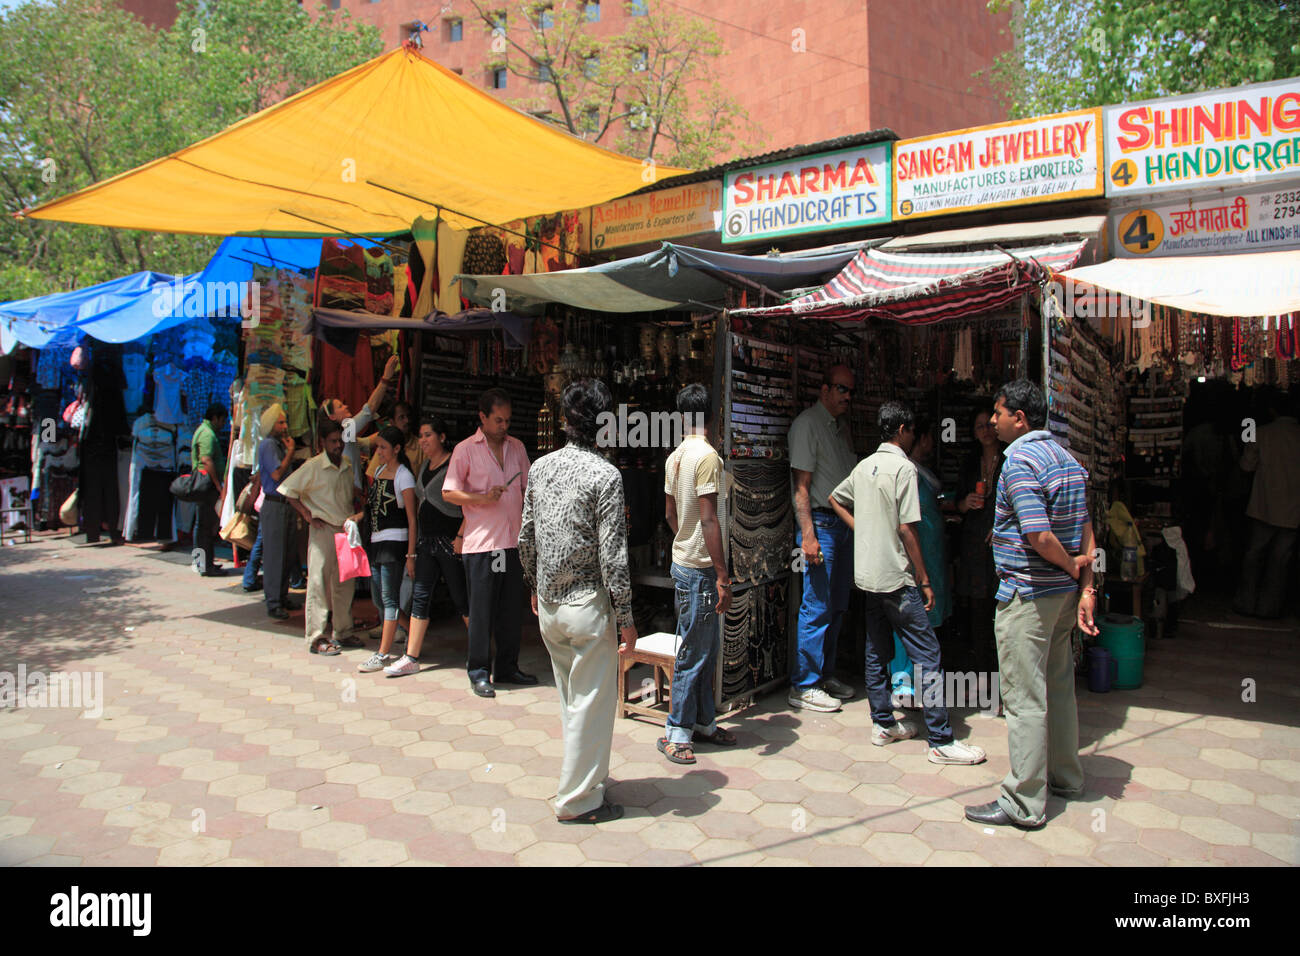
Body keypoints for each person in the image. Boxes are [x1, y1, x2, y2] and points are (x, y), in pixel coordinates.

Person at [964, 380, 1096, 831]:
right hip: (1060, 599)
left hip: (1030, 595)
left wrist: (1071, 567)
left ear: (1019, 418)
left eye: (998, 413)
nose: (993, 421)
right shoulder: (1069, 459)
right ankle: (1066, 776)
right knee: (1058, 687)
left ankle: (1024, 800)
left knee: (1024, 697)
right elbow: (1086, 528)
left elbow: (1040, 536)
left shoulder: (1018, 460)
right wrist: (1084, 582)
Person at [828, 401, 986, 767]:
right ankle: (942, 739)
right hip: (897, 578)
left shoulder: (865, 465)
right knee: (928, 654)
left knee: (875, 650)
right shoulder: (904, 469)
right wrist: (925, 578)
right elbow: (906, 528)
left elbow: (835, 498)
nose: (914, 436)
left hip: (868, 576)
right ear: (902, 431)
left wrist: (861, 527)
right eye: (912, 430)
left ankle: (883, 723)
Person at [519, 380, 637, 823]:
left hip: (550, 605)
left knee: (574, 701)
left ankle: (585, 781)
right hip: (587, 606)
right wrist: (626, 616)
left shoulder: (540, 468)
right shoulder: (607, 476)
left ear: (566, 422)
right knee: (591, 703)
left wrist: (534, 585)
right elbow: (613, 557)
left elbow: (524, 536)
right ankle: (578, 801)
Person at [659, 384, 735, 765]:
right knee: (694, 649)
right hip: (701, 570)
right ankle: (677, 731)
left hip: (685, 563)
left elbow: (672, 515)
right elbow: (708, 518)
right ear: (712, 415)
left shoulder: (675, 457)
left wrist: (684, 543)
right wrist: (722, 573)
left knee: (704, 647)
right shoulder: (708, 458)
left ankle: (703, 722)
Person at [442, 387, 535, 697]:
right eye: (498, 420)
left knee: (510, 609)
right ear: (482, 418)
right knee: (482, 610)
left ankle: (507, 667)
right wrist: (481, 498)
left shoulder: (517, 448)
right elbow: (449, 493)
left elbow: (528, 489)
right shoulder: (465, 450)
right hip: (484, 545)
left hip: (511, 542)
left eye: (507, 420)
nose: (503, 426)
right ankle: (479, 671)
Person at [787, 365, 858, 713]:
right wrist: (808, 537)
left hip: (842, 526)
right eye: (842, 389)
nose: (847, 397)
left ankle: (824, 674)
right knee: (816, 604)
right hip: (821, 528)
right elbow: (801, 487)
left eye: (851, 391)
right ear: (825, 389)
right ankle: (804, 684)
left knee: (837, 604)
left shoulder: (840, 428)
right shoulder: (808, 425)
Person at [385, 418, 471, 677]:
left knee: (461, 598)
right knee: (421, 597)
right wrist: (412, 552)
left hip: (449, 542)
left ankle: (481, 653)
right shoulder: (423, 466)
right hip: (426, 543)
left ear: (442, 437)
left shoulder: (454, 465)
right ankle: (411, 657)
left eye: (428, 435)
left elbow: (469, 506)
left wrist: (460, 536)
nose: (422, 440)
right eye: (420, 436)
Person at [278, 417, 366, 655]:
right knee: (317, 583)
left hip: (345, 529)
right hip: (323, 529)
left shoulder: (346, 464)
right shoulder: (313, 466)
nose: (338, 445)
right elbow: (288, 491)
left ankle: (343, 631)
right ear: (322, 443)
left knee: (345, 585)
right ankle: (316, 637)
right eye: (333, 441)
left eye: (340, 441)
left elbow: (348, 493)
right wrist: (307, 516)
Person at [888, 418, 951, 706]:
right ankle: (904, 680)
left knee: (925, 614)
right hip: (916, 551)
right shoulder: (907, 471)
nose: (931, 444)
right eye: (925, 437)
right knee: (909, 614)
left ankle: (918, 678)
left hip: (930, 551)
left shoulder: (921, 472)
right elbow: (905, 522)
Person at [353, 426, 418, 673]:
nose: (378, 451)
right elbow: (374, 507)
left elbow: (412, 518)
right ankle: (415, 634)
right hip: (377, 540)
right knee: (382, 598)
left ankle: (382, 653)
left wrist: (411, 554)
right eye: (377, 446)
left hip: (394, 541)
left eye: (382, 447)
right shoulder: (380, 471)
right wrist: (358, 516)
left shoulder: (404, 476)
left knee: (389, 599)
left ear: (397, 449)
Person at [1234, 388, 1300, 619]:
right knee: (1280, 562)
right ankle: (1269, 608)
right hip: (1293, 510)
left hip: (1263, 507)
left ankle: (1246, 603)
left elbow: (1246, 465)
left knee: (1253, 556)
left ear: (1271, 410)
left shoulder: (1257, 432)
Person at [954, 404, 1004, 679]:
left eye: (989, 424)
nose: (986, 430)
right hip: (974, 538)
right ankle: (982, 670)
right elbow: (956, 504)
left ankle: (1002, 670)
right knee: (978, 606)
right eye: (979, 426)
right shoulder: (970, 463)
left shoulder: (1009, 459)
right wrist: (966, 502)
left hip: (1000, 540)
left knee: (1002, 606)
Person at [322, 354, 401, 491]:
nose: (346, 407)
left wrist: (391, 429)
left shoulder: (345, 438)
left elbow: (367, 442)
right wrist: (386, 377)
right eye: (340, 406)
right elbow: (369, 409)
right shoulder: (344, 433)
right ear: (332, 417)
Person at [257, 404, 300, 620]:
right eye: (280, 422)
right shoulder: (268, 445)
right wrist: (290, 452)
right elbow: (276, 474)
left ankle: (281, 596)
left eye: (285, 422)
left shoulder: (278, 444)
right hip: (275, 504)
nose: (284, 426)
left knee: (287, 553)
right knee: (275, 554)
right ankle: (273, 601)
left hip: (286, 503)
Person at [191, 403, 228, 577]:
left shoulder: (205, 431)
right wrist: (218, 485)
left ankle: (204, 563)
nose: (223, 424)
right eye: (222, 420)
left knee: (203, 526)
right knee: (204, 526)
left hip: (205, 484)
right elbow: (206, 460)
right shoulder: (207, 434)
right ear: (215, 418)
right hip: (206, 484)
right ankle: (204, 566)